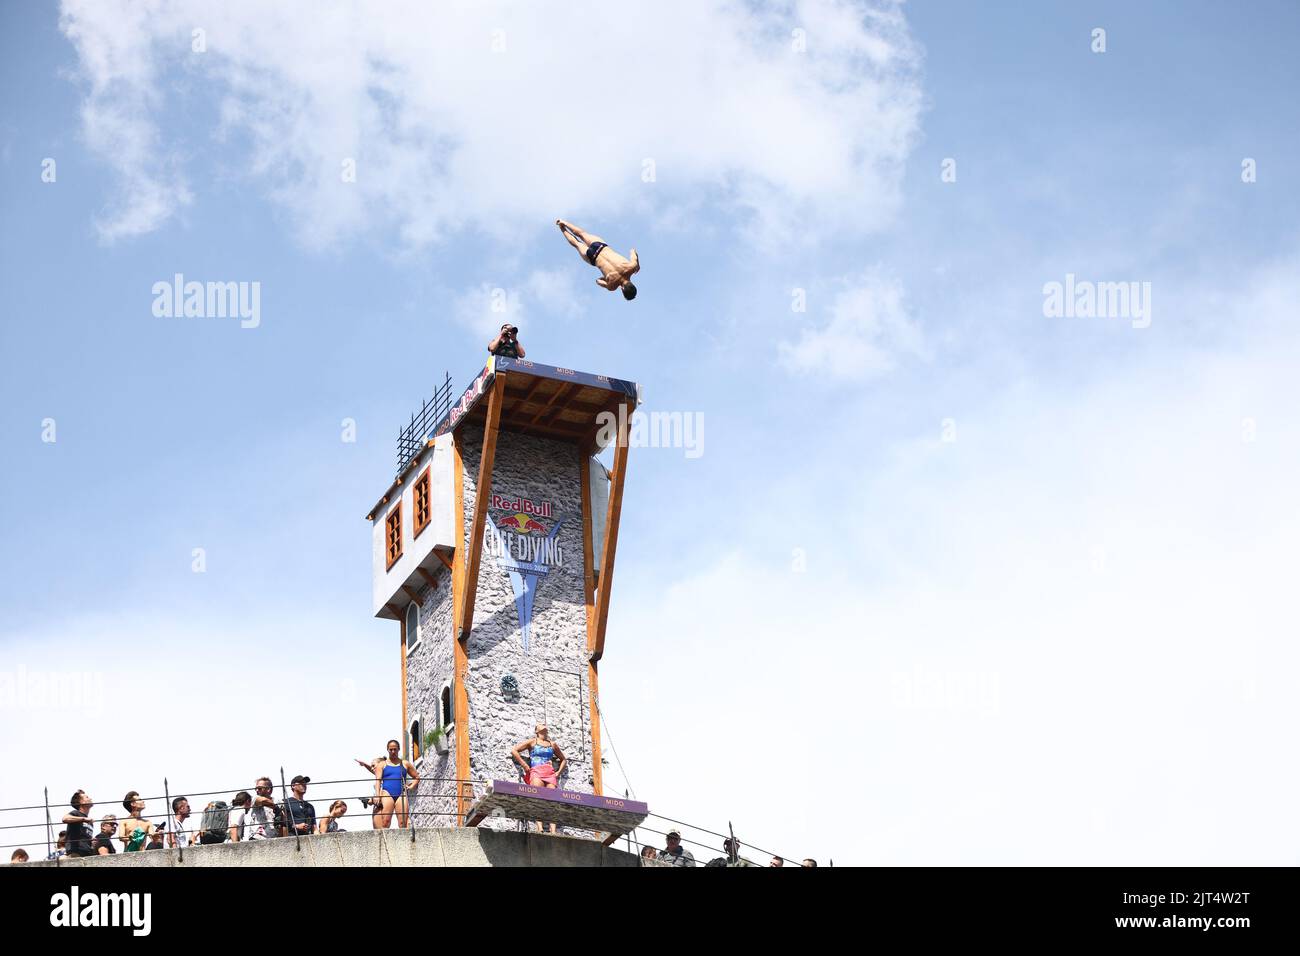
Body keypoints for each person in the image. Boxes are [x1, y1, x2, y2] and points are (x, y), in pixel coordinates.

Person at [556, 219, 639, 300]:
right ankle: (561, 227)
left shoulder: (632, 266)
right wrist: (606, 277)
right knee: (576, 244)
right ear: (622, 290)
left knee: (582, 234)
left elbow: (632, 250)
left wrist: (637, 264)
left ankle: (564, 222)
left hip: (600, 247)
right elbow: (598, 281)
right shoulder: (612, 286)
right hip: (593, 257)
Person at [511, 723, 567, 833]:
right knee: (537, 799)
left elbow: (564, 759)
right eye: (540, 725)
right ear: (536, 731)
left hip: (550, 773)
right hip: (536, 771)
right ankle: (540, 827)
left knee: (552, 801)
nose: (543, 725)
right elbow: (514, 751)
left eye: (545, 725)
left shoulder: (552, 744)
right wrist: (525, 765)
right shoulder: (532, 742)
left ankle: (553, 830)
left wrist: (558, 773)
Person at [373, 739, 419, 829]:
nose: (393, 751)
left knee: (403, 823)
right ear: (387, 750)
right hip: (387, 793)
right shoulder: (382, 764)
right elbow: (378, 781)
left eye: (395, 749)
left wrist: (411, 786)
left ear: (398, 749)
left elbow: (417, 777)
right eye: (391, 750)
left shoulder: (405, 764)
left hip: (401, 794)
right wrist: (377, 795)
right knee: (385, 821)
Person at [62, 790, 95, 858]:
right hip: (76, 853)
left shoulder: (89, 821)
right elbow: (64, 818)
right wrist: (83, 819)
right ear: (81, 802)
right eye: (87, 797)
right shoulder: (76, 813)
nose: (90, 798)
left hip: (87, 853)